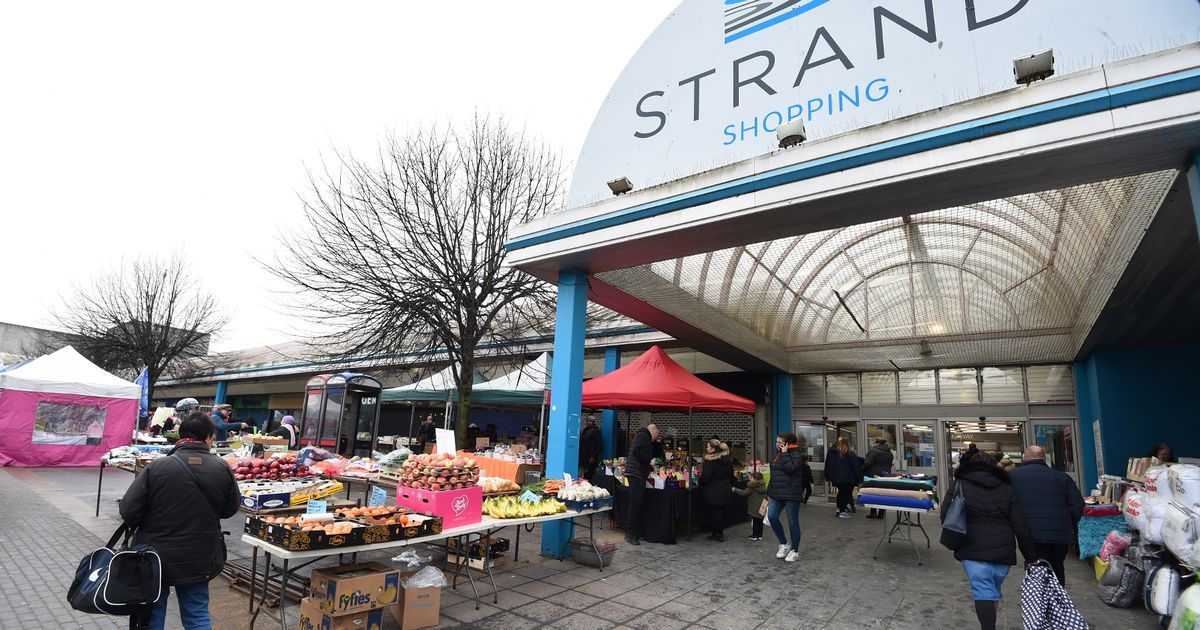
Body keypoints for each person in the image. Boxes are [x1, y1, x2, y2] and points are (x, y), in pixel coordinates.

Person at [119, 412, 240, 630]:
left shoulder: (156, 467)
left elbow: (129, 511)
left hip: (153, 556)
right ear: (208, 437)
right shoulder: (222, 468)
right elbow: (230, 509)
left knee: (152, 612)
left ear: (181, 435)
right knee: (197, 614)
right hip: (199, 555)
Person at [943, 452, 1039, 630]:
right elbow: (1021, 525)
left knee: (985, 591)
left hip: (971, 546)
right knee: (990, 590)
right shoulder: (1008, 489)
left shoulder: (959, 484)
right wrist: (1031, 556)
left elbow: (945, 514)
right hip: (1003, 550)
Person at [1010, 445, 1084, 586]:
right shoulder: (1062, 477)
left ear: (1025, 457)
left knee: (1035, 568)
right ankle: (1057, 599)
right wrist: (1066, 522)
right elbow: (1078, 505)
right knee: (1057, 568)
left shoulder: (1013, 476)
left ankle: (1038, 601)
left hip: (1030, 533)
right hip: (1059, 535)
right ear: (1045, 458)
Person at [767, 432, 805, 562]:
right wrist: (769, 493)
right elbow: (774, 475)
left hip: (791, 493)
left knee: (792, 521)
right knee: (771, 516)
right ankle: (783, 544)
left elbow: (791, 469)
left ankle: (794, 550)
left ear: (788, 443)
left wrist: (784, 454)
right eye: (776, 441)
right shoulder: (776, 453)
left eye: (779, 442)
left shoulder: (796, 454)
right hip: (776, 492)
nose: (777, 444)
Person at [623, 423, 658, 545]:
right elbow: (638, 451)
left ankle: (635, 532)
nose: (656, 438)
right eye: (657, 434)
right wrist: (649, 460)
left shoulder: (642, 435)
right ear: (653, 432)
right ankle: (630, 533)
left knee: (636, 503)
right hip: (636, 474)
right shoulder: (644, 435)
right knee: (635, 504)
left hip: (637, 473)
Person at [699, 439, 734, 542]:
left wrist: (700, 482)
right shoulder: (727, 459)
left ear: (713, 448)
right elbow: (731, 475)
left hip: (714, 489)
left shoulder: (710, 460)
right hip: (725, 488)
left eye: (708, 447)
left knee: (715, 512)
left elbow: (706, 476)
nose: (706, 448)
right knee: (720, 511)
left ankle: (717, 534)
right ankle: (719, 532)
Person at [825, 437, 862, 519]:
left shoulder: (833, 452)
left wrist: (829, 476)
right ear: (848, 443)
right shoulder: (850, 453)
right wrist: (859, 477)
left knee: (840, 493)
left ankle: (839, 509)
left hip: (837, 477)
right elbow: (855, 466)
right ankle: (842, 511)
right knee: (846, 494)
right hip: (848, 478)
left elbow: (828, 464)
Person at [862, 438, 894, 519]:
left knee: (873, 493)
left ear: (877, 443)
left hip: (873, 475)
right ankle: (881, 514)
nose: (873, 444)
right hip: (885, 475)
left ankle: (873, 513)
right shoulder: (889, 453)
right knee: (882, 493)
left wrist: (862, 469)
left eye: (874, 443)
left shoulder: (874, 451)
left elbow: (867, 463)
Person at [734, 471, 768, 540]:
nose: (750, 479)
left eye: (751, 478)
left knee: (755, 520)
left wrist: (735, 489)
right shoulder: (762, 485)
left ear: (754, 479)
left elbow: (744, 493)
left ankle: (755, 535)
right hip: (762, 505)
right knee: (760, 520)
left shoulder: (752, 486)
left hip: (754, 506)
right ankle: (760, 535)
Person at [579, 415, 603, 482]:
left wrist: (593, 456)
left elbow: (599, 445)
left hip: (590, 457)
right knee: (584, 474)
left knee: (589, 474)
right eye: (587, 420)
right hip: (584, 456)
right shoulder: (585, 430)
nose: (587, 422)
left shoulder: (595, 431)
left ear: (593, 422)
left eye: (590, 421)